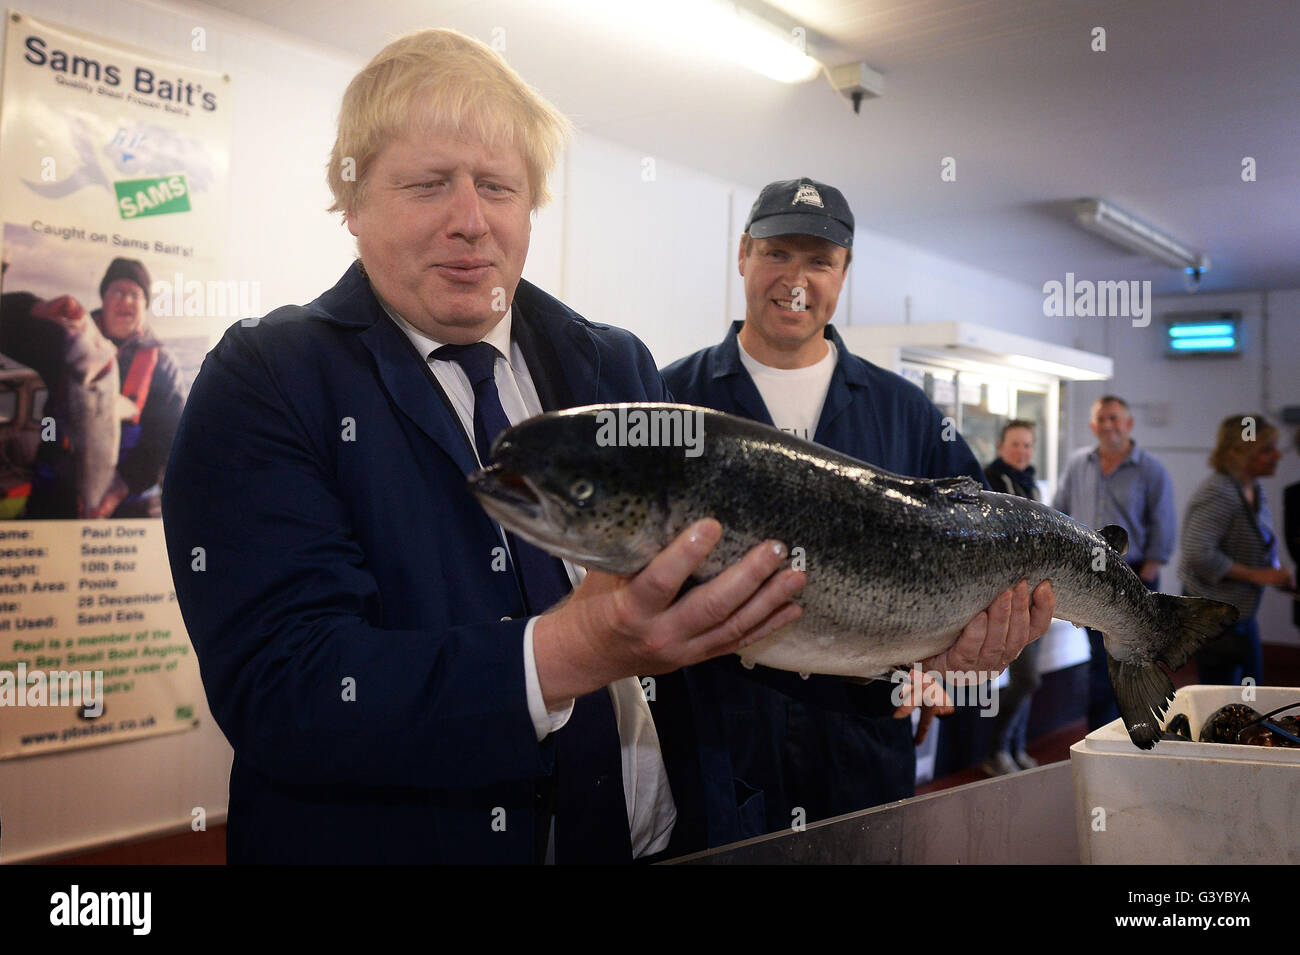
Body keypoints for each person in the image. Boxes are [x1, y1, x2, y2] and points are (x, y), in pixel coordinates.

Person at [163, 34, 1051, 864]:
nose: (470, 219)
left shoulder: (612, 365)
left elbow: (725, 612)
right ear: (353, 201)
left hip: (659, 839)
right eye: (428, 183)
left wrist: (910, 647)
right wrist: (575, 647)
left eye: (498, 186)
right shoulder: (267, 380)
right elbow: (284, 686)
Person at [661, 177, 1056, 843]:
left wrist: (948, 657)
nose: (796, 281)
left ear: (844, 271)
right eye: (777, 253)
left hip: (863, 746)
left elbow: (981, 549)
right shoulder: (673, 399)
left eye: (819, 261)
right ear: (743, 253)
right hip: (714, 743)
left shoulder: (906, 412)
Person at [4, 259, 185, 519]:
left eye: (135, 294)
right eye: (117, 291)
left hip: (128, 500)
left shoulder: (164, 366)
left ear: (145, 305)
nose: (126, 300)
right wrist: (39, 308)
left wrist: (121, 488)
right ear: (103, 298)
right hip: (56, 492)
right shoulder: (66, 339)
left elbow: (167, 439)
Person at [1054, 395, 1175, 730]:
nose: (1108, 425)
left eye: (1114, 418)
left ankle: (1138, 730)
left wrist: (1146, 577)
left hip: (1134, 578)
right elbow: (1059, 512)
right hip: (1088, 579)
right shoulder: (1078, 464)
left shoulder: (1150, 469)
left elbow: (1163, 525)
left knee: (1136, 661)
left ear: (1129, 423)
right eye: (1102, 419)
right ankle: (1101, 735)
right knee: (1100, 662)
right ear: (1093, 426)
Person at [1180, 414, 1293, 686]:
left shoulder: (1252, 487)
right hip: (1214, 616)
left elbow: (1257, 543)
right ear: (1237, 453)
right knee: (1226, 697)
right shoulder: (1219, 492)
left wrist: (1275, 574)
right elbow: (1198, 554)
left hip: (1239, 613)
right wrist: (1260, 576)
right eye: (1266, 450)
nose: (1277, 455)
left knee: (1250, 690)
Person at [981, 420, 1042, 775]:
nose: (1022, 451)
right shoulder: (990, 480)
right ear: (1001, 446)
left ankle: (1015, 747)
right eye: (1016, 444)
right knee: (1028, 678)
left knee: (1026, 681)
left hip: (1034, 596)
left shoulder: (1030, 484)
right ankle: (996, 750)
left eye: (1028, 445)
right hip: (1008, 597)